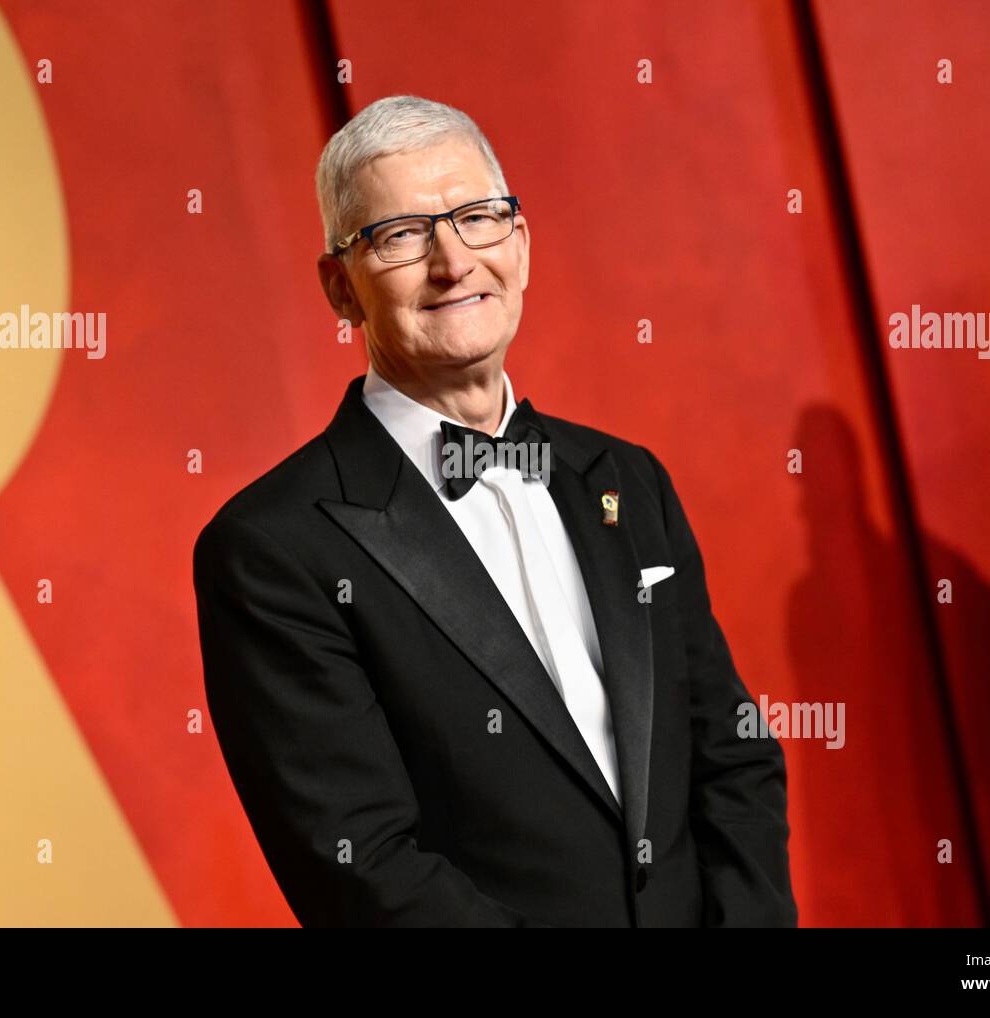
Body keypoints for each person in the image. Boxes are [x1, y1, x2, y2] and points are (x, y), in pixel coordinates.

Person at [192, 94, 798, 927]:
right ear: (341, 289)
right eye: (401, 235)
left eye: (477, 217)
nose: (453, 262)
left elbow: (732, 754)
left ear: (520, 245)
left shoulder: (627, 478)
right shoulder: (271, 548)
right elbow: (361, 868)